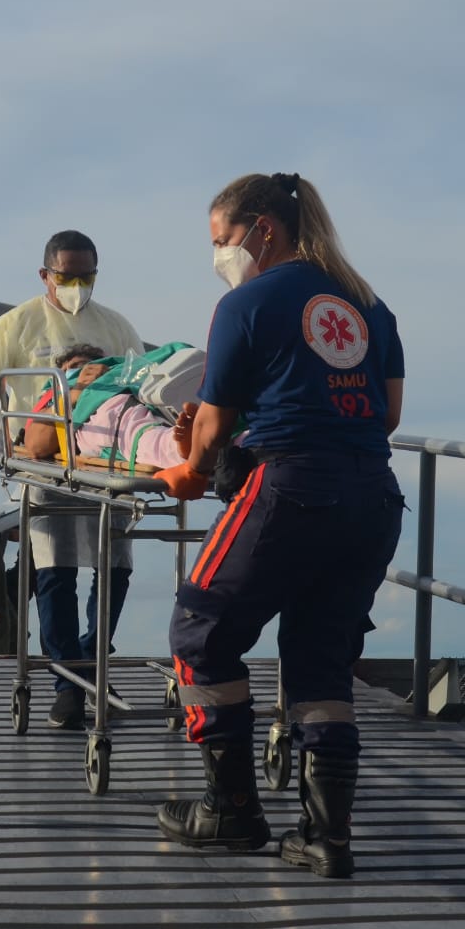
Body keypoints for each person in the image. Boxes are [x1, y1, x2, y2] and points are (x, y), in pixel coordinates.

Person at [153, 172, 405, 878]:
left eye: (222, 240)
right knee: (323, 662)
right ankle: (326, 838)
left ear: (263, 227)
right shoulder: (367, 303)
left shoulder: (248, 302)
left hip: (289, 489)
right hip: (372, 498)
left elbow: (211, 423)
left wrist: (194, 469)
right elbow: (387, 414)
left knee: (199, 631)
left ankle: (230, 808)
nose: (220, 255)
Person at [0, 231, 143, 727]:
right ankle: (66, 681)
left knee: (115, 567)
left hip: (107, 466)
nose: (77, 285)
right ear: (46, 276)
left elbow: (144, 386)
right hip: (46, 465)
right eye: (67, 276)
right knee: (54, 573)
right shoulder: (16, 326)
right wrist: (3, 441)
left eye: (87, 276)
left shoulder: (116, 326)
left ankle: (91, 660)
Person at [25, 352, 199, 472]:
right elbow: (36, 447)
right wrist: (76, 391)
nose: (88, 369)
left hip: (134, 395)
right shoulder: (57, 395)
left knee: (154, 412)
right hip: (98, 417)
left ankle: (197, 433)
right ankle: (177, 446)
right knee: (127, 424)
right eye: (74, 367)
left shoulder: (117, 372)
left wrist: (112, 376)